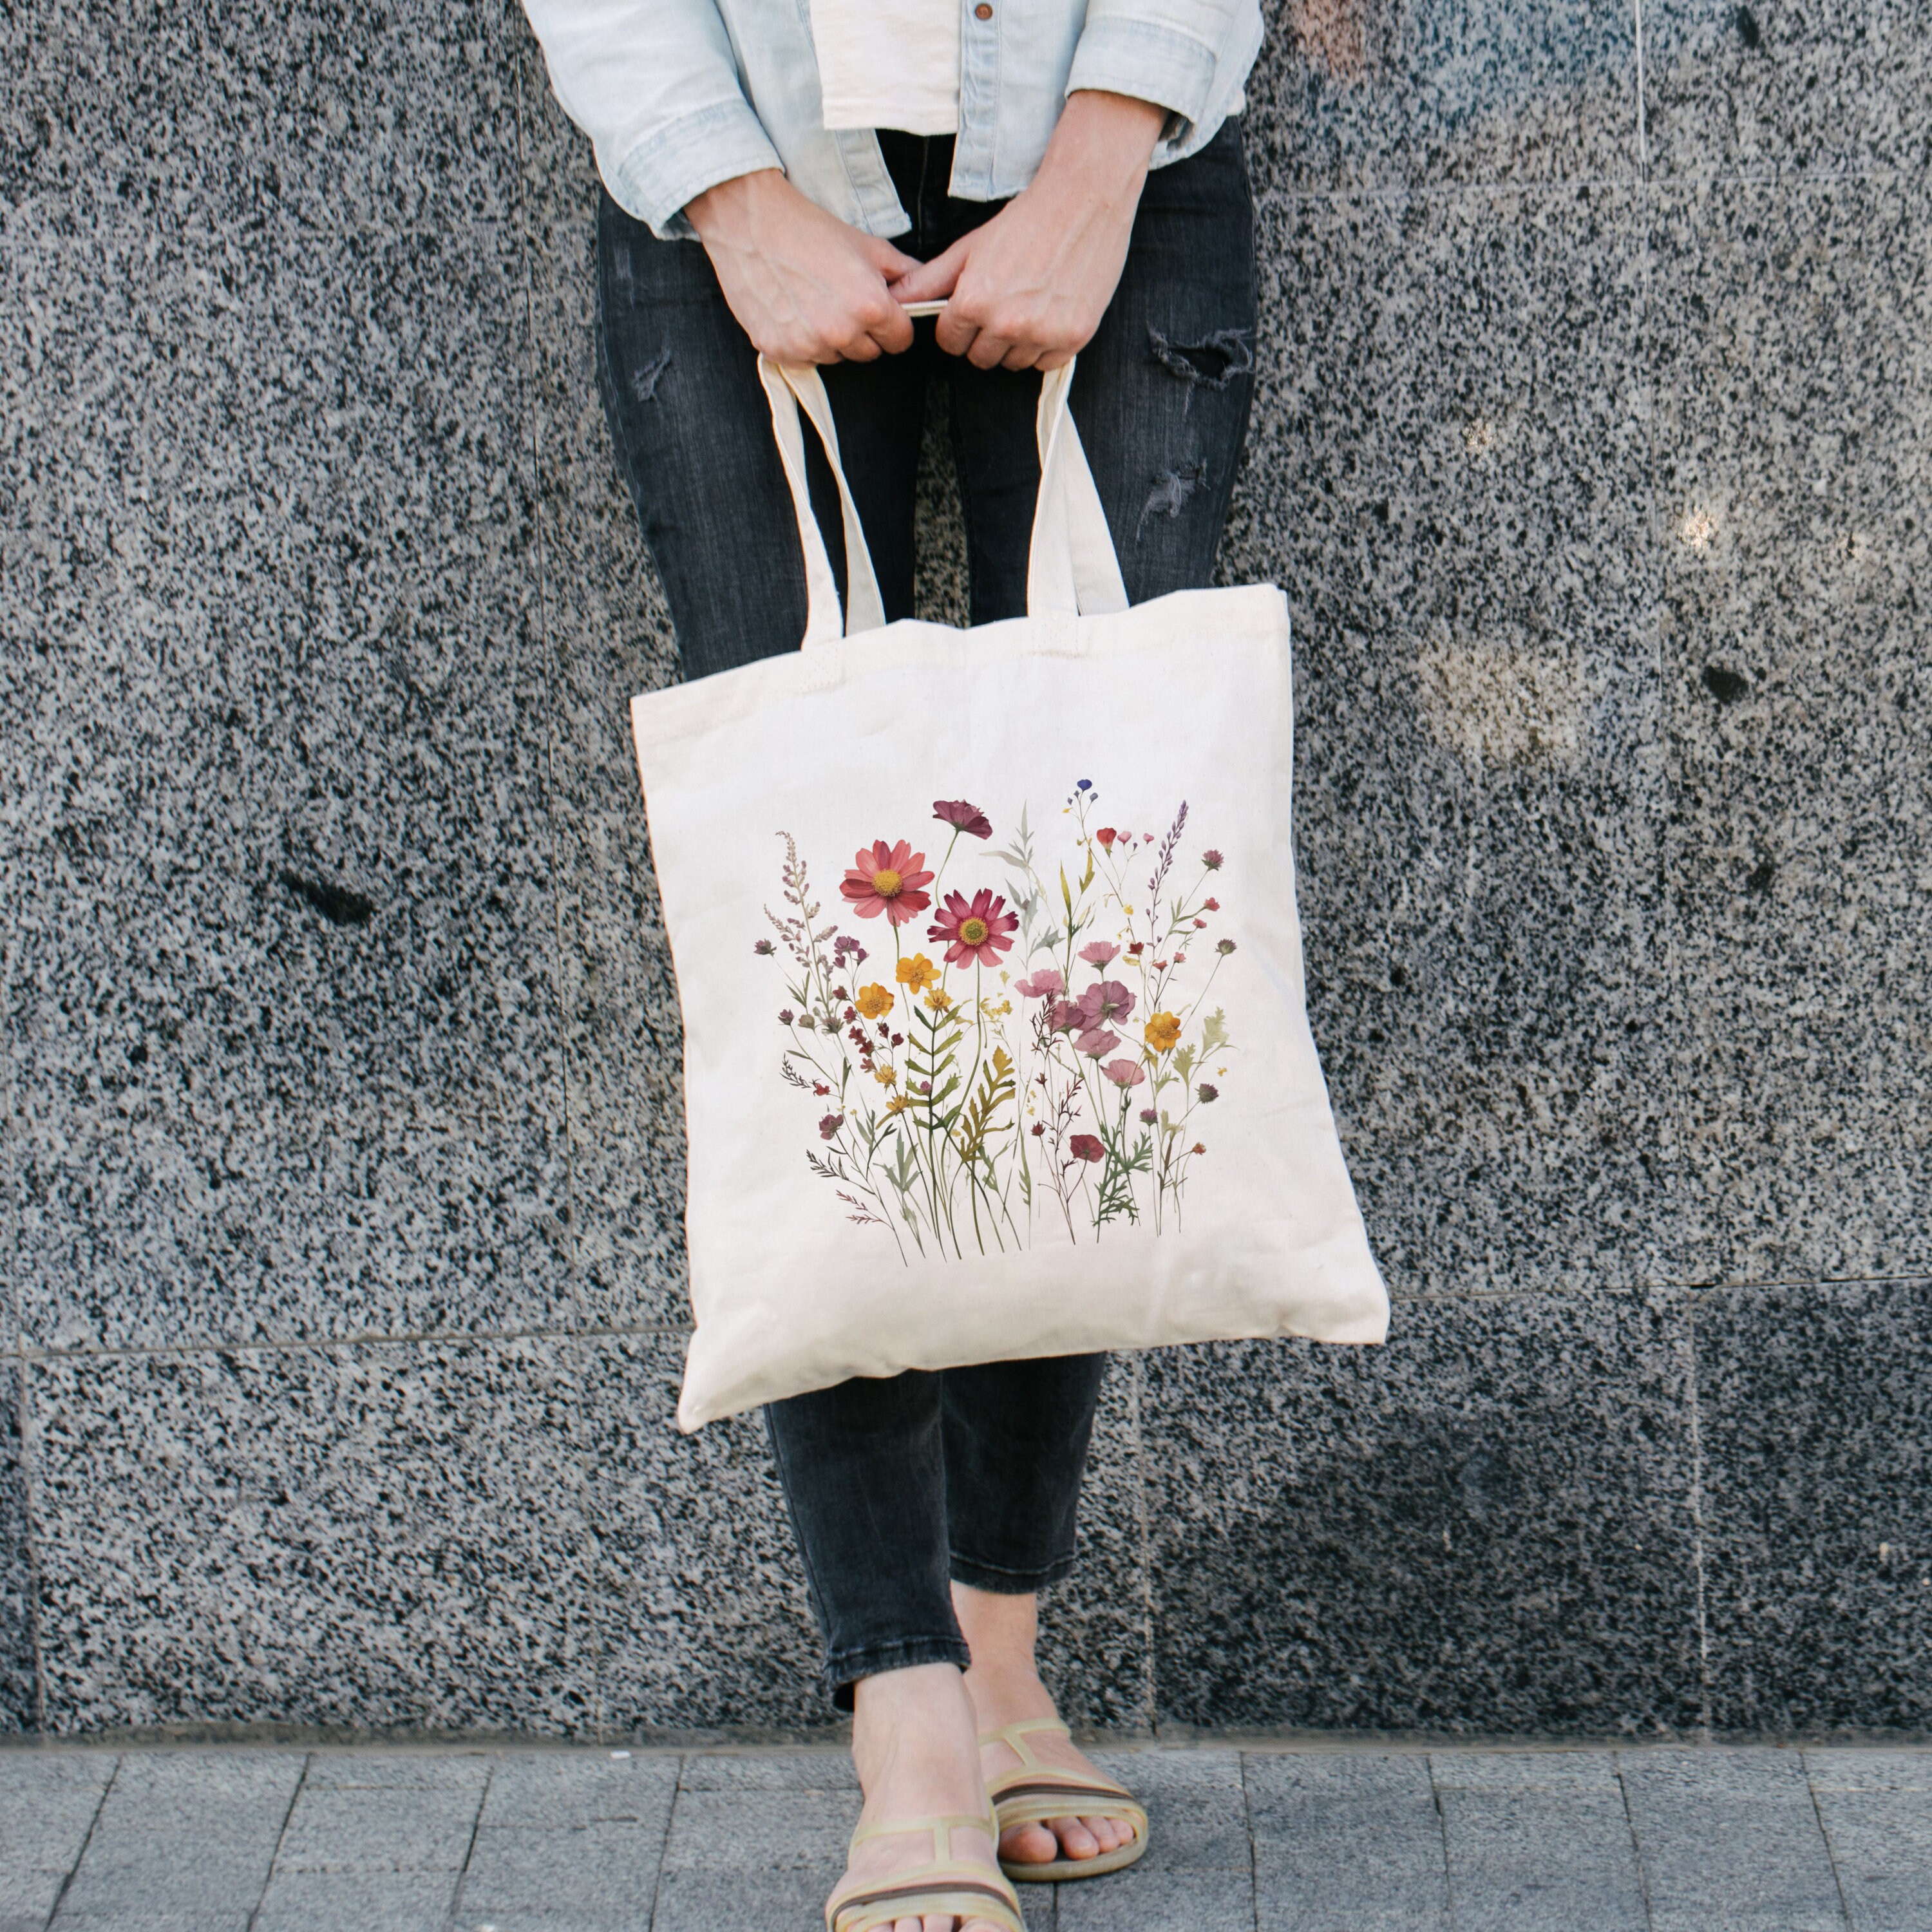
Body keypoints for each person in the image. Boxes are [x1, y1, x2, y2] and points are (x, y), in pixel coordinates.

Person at [523, 3, 1264, 1926]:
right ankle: (907, 1702)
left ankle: (1001, 1645)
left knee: (1088, 944)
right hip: (738, 164)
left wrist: (1102, 156)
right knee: (829, 971)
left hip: (1121, 153)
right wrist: (726, 187)